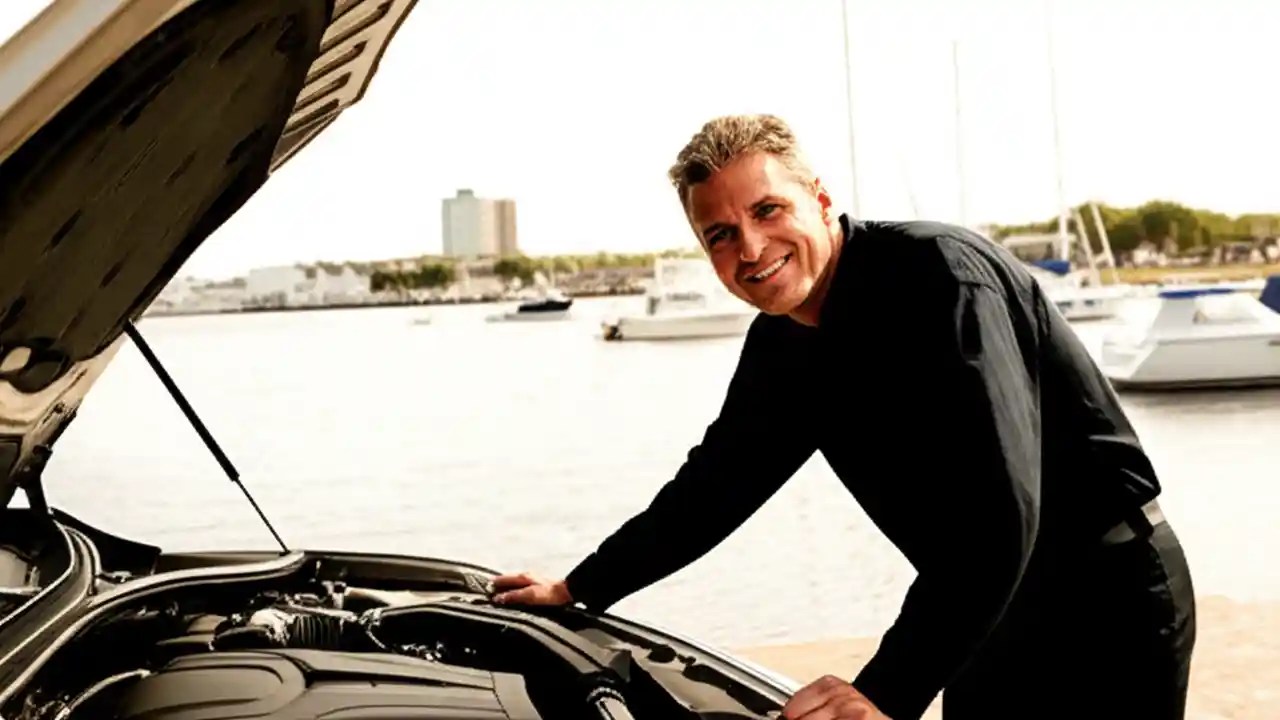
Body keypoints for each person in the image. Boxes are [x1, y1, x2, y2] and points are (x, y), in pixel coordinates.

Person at [490, 114, 1196, 720]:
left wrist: (884, 692)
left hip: (1107, 598)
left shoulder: (941, 277)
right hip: (981, 609)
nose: (750, 249)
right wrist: (581, 587)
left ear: (821, 200)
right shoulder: (782, 344)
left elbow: (999, 514)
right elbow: (713, 490)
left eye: (768, 211)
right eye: (721, 235)